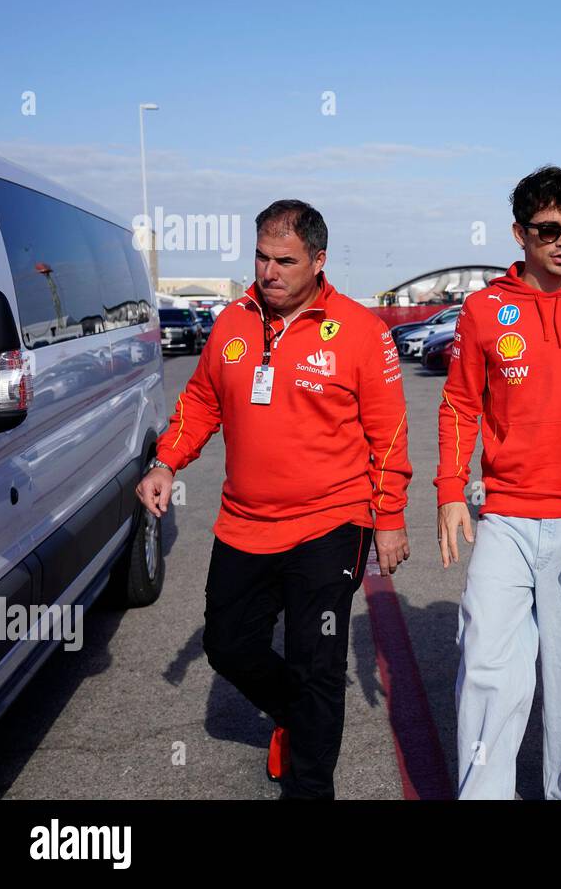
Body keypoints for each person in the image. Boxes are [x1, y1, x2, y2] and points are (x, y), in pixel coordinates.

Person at [135, 199, 412, 800]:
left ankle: (310, 786)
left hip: (331, 523)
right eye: (260, 256)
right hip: (244, 523)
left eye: (284, 260)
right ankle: (300, 716)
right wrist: (165, 462)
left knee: (318, 665)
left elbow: (388, 432)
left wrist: (389, 519)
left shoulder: (361, 331)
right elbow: (202, 402)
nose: (269, 271)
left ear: (318, 261)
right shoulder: (233, 322)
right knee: (227, 646)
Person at [436, 165, 561, 799]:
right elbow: (460, 404)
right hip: (506, 518)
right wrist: (449, 492)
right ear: (519, 233)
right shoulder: (484, 308)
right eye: (548, 230)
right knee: (489, 668)